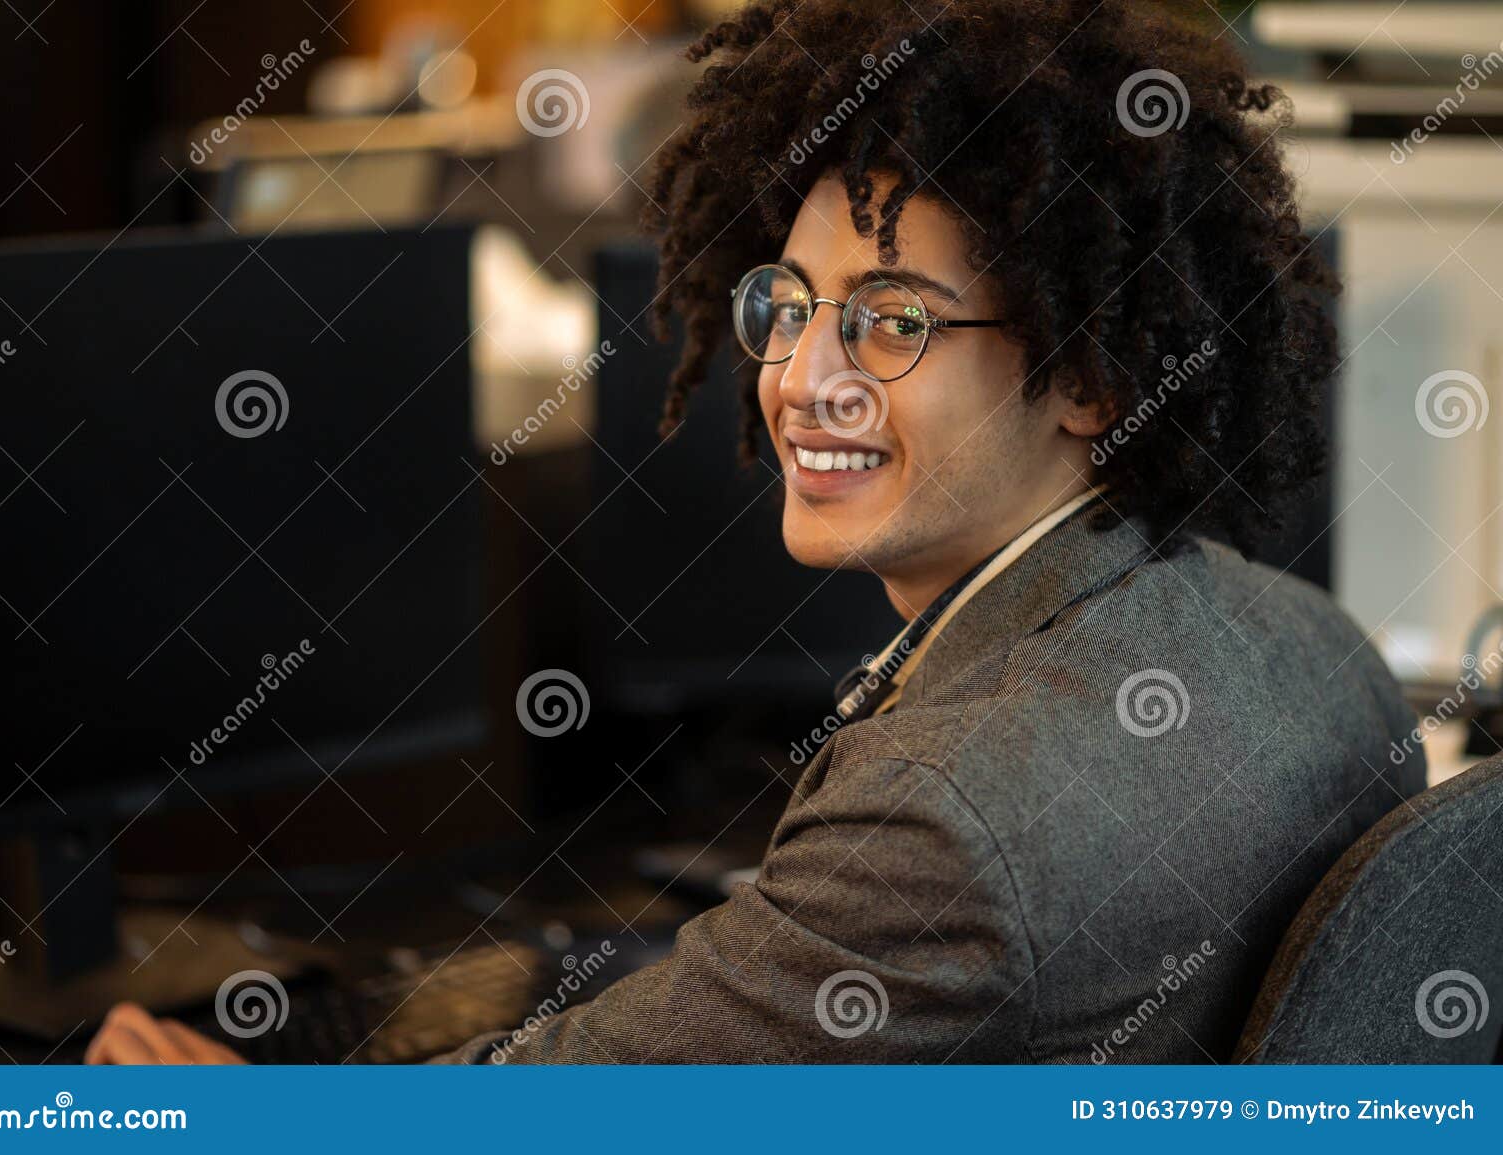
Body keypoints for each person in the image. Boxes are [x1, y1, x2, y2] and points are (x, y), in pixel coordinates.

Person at [87, 0, 1421, 1065]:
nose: (798, 376)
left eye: (891, 319)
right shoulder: (1315, 645)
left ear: (1090, 380)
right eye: (791, 302)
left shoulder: (946, 827)